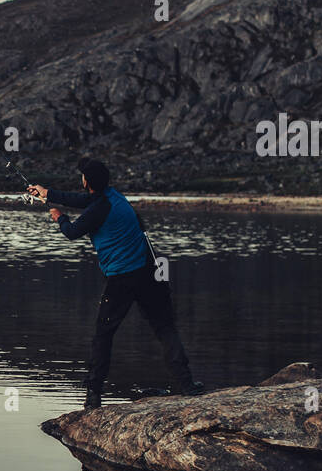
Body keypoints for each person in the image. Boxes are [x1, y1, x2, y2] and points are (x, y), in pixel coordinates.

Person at [27, 158, 203, 409]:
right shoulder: (112, 197)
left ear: (86, 181)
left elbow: (73, 232)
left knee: (103, 335)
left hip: (122, 279)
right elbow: (84, 200)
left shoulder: (99, 208)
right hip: (148, 273)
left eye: (83, 178)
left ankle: (93, 397)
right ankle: (187, 385)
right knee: (165, 328)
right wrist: (48, 193)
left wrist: (60, 218)